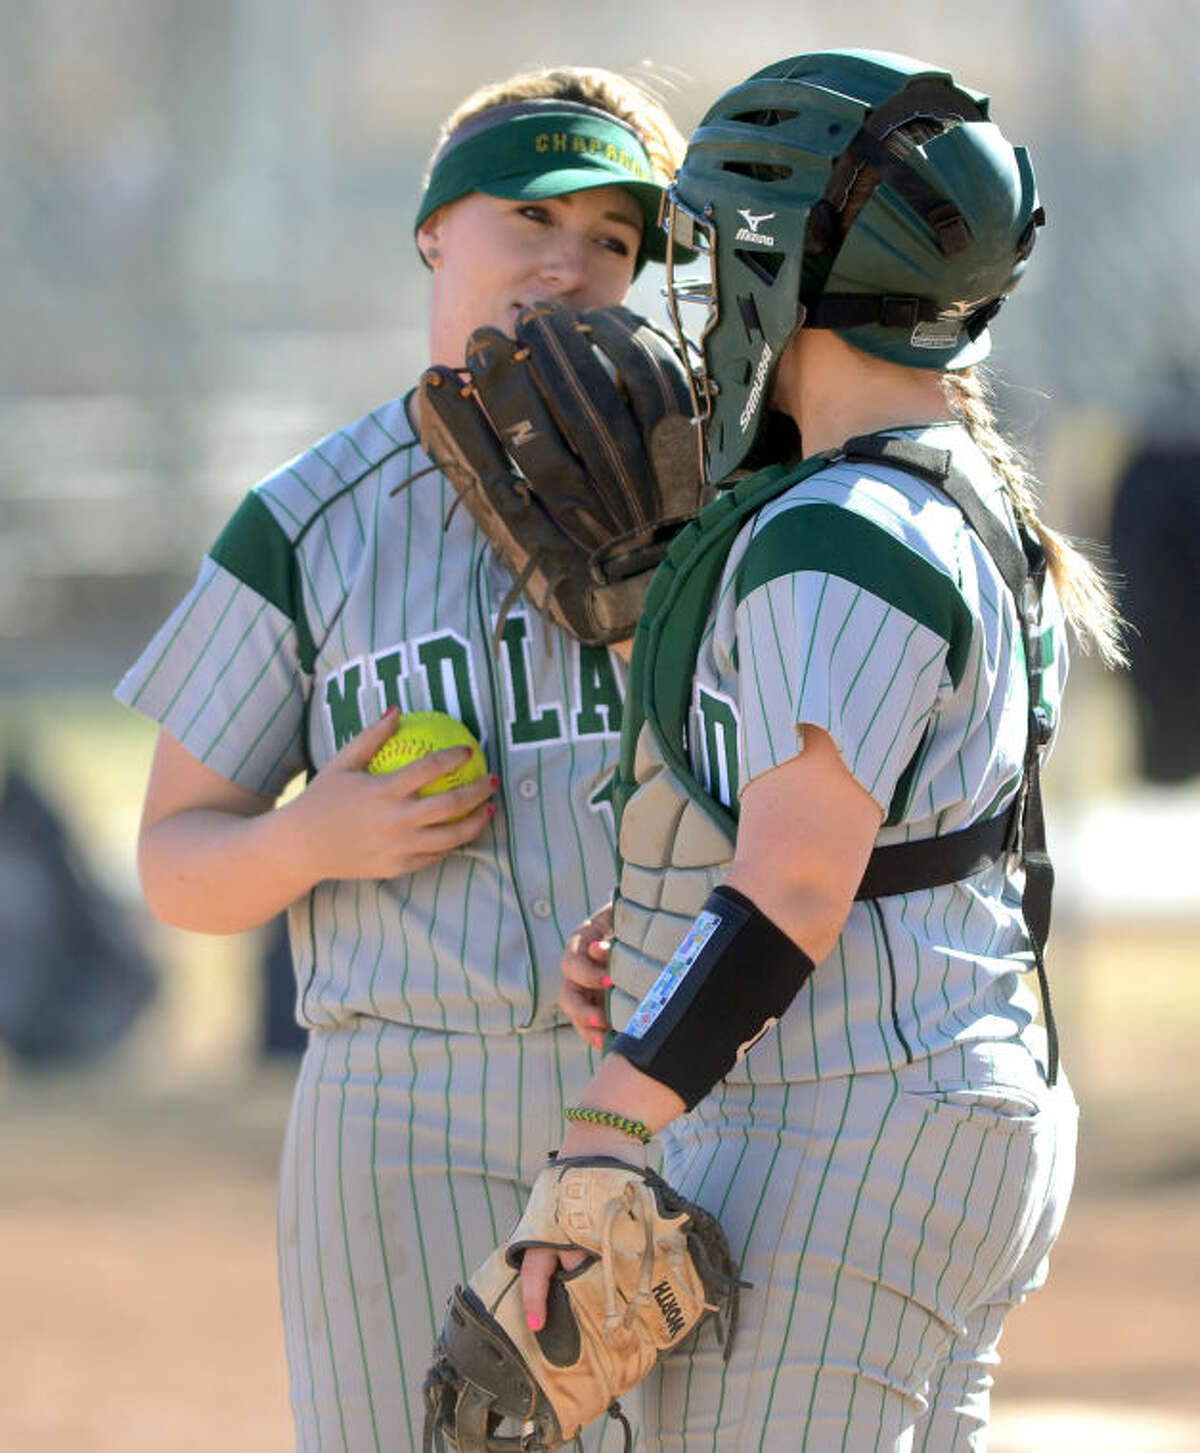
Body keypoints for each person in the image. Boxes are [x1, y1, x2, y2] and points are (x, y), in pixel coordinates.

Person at [525, 50, 1126, 1451]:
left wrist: (604, 1127)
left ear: (786, 269)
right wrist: (674, 945)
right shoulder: (955, 485)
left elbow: (796, 890)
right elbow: (890, 842)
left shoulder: (836, 529)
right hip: (948, 1098)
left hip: (855, 1126)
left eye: (727, 250)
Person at [114, 66, 687, 1451]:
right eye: (531, 218)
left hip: (652, 1095)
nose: (569, 263)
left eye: (612, 239)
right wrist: (311, 839)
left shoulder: (706, 507)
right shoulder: (310, 522)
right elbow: (175, 860)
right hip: (396, 1109)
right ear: (435, 232)